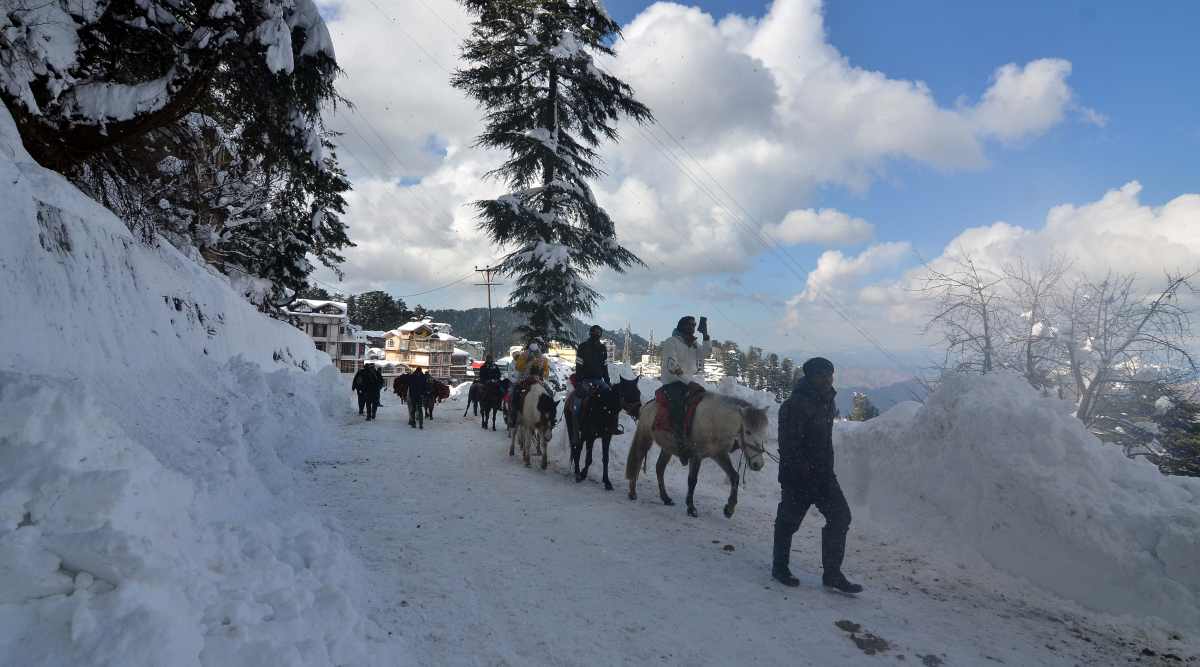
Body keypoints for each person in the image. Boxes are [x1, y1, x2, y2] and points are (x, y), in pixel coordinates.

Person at [772, 357, 862, 594]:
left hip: (823, 476)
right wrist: (802, 471)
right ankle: (779, 567)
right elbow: (789, 445)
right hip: (798, 477)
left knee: (841, 517)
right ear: (810, 377)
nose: (827, 379)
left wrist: (824, 469)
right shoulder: (794, 405)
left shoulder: (827, 402)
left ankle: (832, 574)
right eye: (822, 375)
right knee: (788, 523)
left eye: (830, 374)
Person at [658, 315, 711, 464]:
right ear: (681, 326)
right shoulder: (672, 342)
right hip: (673, 383)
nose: (692, 327)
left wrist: (705, 334)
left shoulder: (693, 344)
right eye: (689, 324)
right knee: (679, 407)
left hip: (688, 382)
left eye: (694, 325)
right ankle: (680, 443)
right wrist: (689, 383)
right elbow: (672, 365)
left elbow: (706, 353)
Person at [572, 325, 609, 417]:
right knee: (578, 399)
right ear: (590, 333)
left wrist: (608, 382)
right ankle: (574, 419)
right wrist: (579, 381)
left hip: (599, 381)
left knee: (610, 398)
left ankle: (611, 424)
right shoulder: (582, 347)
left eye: (598, 333)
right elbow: (579, 366)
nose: (596, 335)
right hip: (585, 380)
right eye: (595, 333)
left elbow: (605, 367)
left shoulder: (603, 348)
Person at [511, 341, 550, 422]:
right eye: (531, 351)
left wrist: (543, 373)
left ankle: (549, 413)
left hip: (538, 380)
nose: (533, 353)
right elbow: (518, 367)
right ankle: (514, 413)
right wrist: (526, 362)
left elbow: (546, 372)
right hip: (525, 379)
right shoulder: (523, 356)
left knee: (549, 393)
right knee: (515, 392)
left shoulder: (543, 359)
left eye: (535, 352)